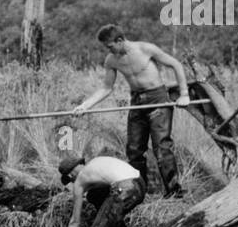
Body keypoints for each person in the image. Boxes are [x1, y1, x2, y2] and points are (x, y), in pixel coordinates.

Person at [71, 24, 190, 198]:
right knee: (134, 149)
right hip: (137, 101)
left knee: (162, 147)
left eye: (110, 46)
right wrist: (85, 105)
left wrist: (184, 94)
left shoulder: (145, 49)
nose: (109, 50)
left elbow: (176, 64)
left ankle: (174, 192)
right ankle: (139, 192)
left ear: (120, 40)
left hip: (157, 99)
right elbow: (106, 88)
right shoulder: (111, 60)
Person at [60, 154, 145, 227]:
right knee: (92, 195)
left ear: (70, 175)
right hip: (140, 183)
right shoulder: (95, 163)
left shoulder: (79, 180)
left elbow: (75, 222)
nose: (72, 182)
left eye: (69, 180)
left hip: (126, 189)